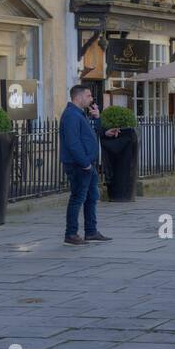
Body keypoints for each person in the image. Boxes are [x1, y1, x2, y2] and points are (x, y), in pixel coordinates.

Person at [59, 85, 120, 245]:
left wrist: (99, 120)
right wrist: (85, 163)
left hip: (87, 164)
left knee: (92, 197)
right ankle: (71, 234)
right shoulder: (71, 115)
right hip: (79, 164)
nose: (91, 99)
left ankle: (91, 232)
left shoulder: (80, 114)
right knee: (78, 198)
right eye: (89, 96)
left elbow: (91, 133)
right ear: (78, 97)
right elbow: (73, 143)